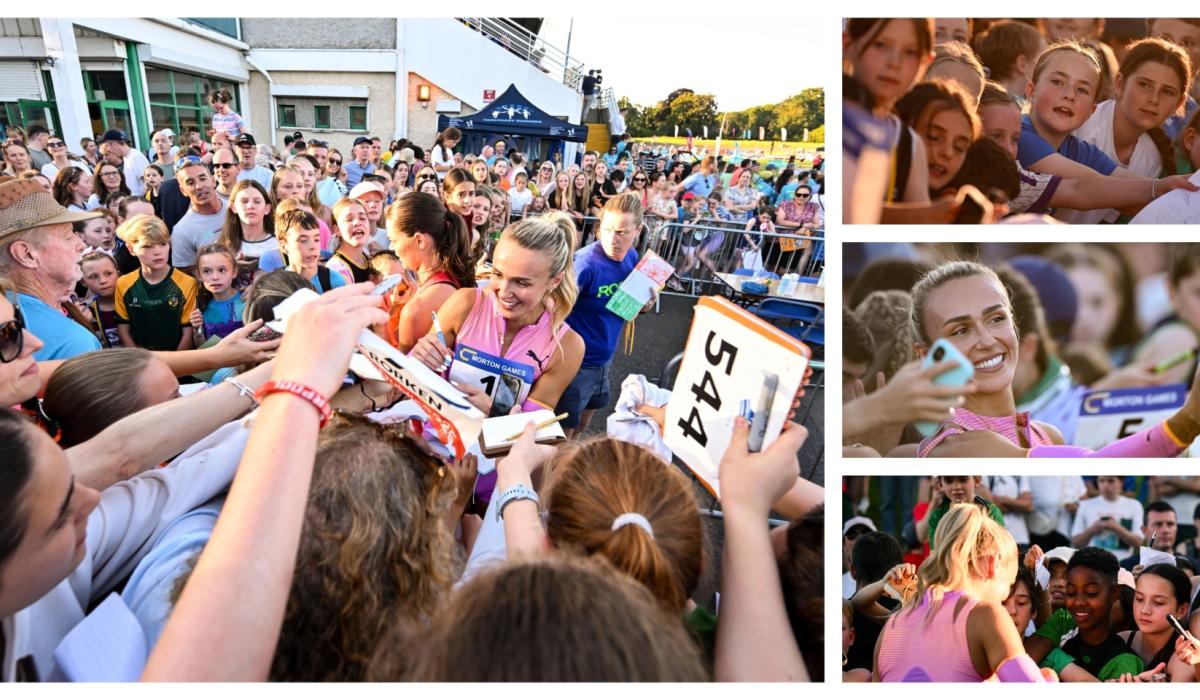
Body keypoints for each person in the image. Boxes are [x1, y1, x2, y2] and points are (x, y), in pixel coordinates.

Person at [409, 214, 585, 495]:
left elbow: (535, 435)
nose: (504, 291)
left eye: (522, 283)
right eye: (498, 274)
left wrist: (496, 412)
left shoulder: (566, 345)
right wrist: (418, 358)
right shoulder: (465, 302)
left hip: (495, 475)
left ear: (554, 281)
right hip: (431, 457)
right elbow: (419, 380)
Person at [875, 504, 1047, 681]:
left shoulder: (891, 626)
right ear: (992, 564)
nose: (1002, 602)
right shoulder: (986, 616)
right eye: (1008, 586)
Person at [554, 194, 651, 436]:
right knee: (562, 433)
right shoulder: (585, 264)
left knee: (583, 427)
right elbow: (554, 313)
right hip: (576, 364)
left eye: (621, 232)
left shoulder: (632, 258)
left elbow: (628, 309)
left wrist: (645, 304)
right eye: (606, 229)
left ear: (637, 231)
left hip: (604, 360)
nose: (612, 239)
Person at [0, 179, 103, 360]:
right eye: (68, 236)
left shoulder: (10, 308)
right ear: (26, 255)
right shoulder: (73, 342)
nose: (81, 244)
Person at [114, 214, 197, 351]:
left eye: (163, 244)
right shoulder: (123, 283)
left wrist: (176, 363)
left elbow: (188, 332)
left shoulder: (187, 283)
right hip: (141, 362)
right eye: (148, 246)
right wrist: (141, 361)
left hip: (178, 362)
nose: (158, 252)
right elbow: (123, 328)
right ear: (131, 249)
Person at [171, 158, 229, 275]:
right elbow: (187, 277)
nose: (199, 186)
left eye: (202, 178)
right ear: (183, 191)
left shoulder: (236, 209)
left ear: (213, 180)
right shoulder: (181, 231)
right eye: (190, 182)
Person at [216, 179, 276, 290]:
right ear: (234, 207)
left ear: (267, 209)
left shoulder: (279, 244)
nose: (250, 206)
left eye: (257, 201)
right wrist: (232, 269)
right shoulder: (222, 245)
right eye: (244, 201)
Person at [1070, 476, 1144, 561]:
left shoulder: (1134, 505)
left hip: (1122, 564)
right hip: (1092, 563)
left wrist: (1116, 527)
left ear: (1121, 482)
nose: (1105, 485)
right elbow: (1076, 543)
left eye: (1111, 481)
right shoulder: (1085, 505)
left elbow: (1138, 543)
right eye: (1101, 481)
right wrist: (1094, 528)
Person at [275, 208, 346, 294]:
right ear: (284, 246)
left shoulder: (333, 281)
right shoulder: (275, 284)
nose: (313, 247)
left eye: (316, 239)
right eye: (303, 240)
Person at [189, 243, 245, 342]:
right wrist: (196, 329)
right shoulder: (201, 306)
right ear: (199, 275)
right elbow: (201, 348)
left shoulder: (246, 301)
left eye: (222, 270)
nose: (215, 277)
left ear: (234, 272)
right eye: (207, 271)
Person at [326, 197, 374, 284]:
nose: (357, 223)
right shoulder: (335, 269)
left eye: (362, 218)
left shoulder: (367, 255)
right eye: (349, 219)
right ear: (337, 230)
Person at [97, 130, 151, 198]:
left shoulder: (135, 156)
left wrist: (141, 200)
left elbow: (149, 181)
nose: (110, 151)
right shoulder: (127, 157)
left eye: (108, 147)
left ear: (114, 144)